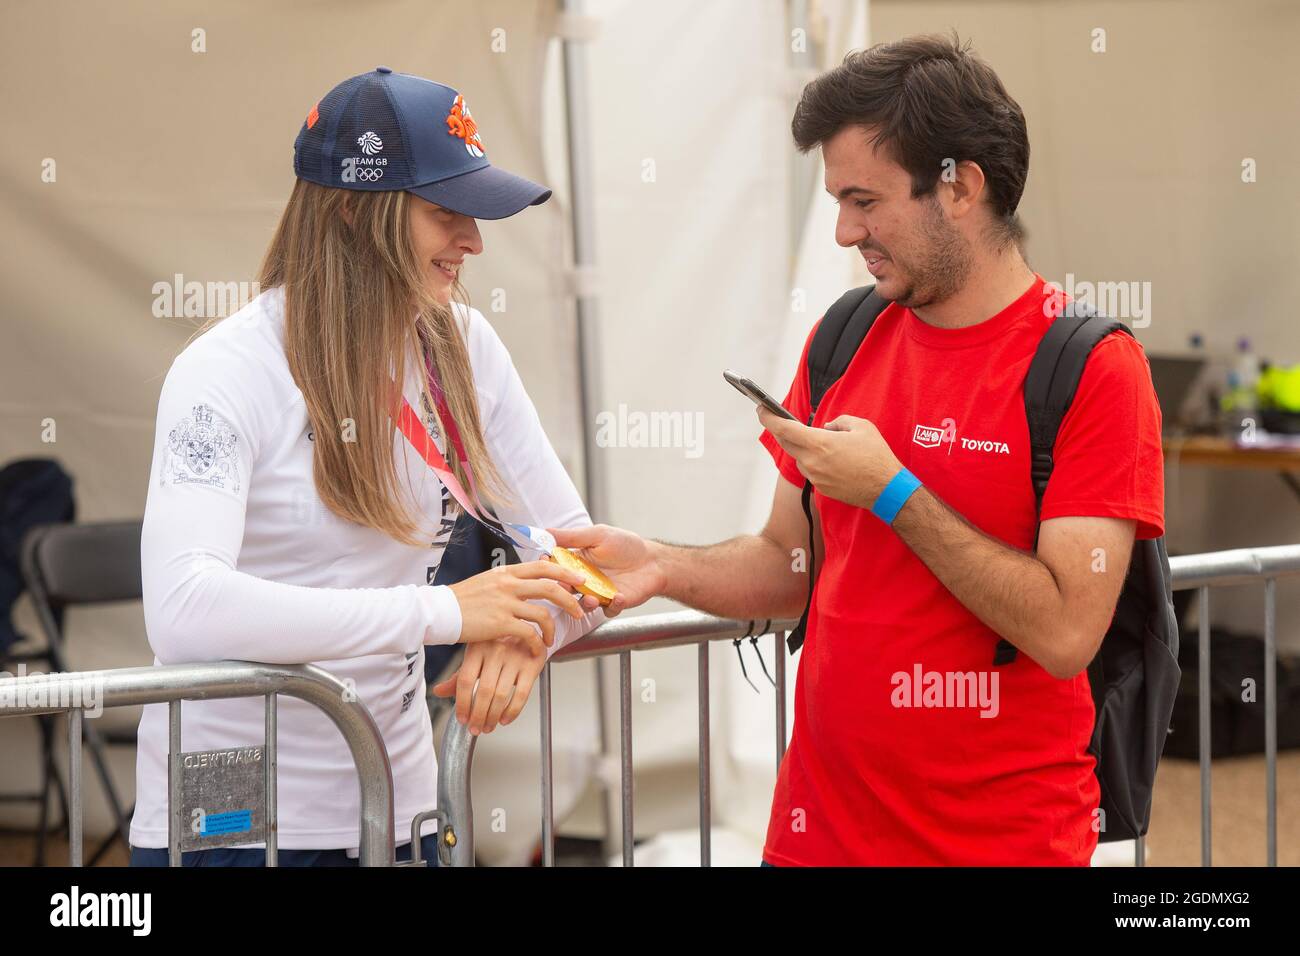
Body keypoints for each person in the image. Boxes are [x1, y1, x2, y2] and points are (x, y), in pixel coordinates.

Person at [552, 34, 1164, 866]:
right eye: (838, 200)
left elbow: (1063, 632)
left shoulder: (1092, 368)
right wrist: (659, 566)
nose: (844, 231)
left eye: (864, 200)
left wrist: (894, 494)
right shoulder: (845, 335)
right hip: (817, 837)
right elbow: (788, 564)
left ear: (960, 186)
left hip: (1002, 845)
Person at [129, 67, 606, 866]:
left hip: (399, 816)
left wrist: (532, 632)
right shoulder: (226, 369)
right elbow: (184, 609)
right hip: (233, 830)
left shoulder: (464, 344)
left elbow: (579, 555)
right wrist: (450, 614)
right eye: (446, 212)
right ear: (354, 213)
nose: (475, 241)